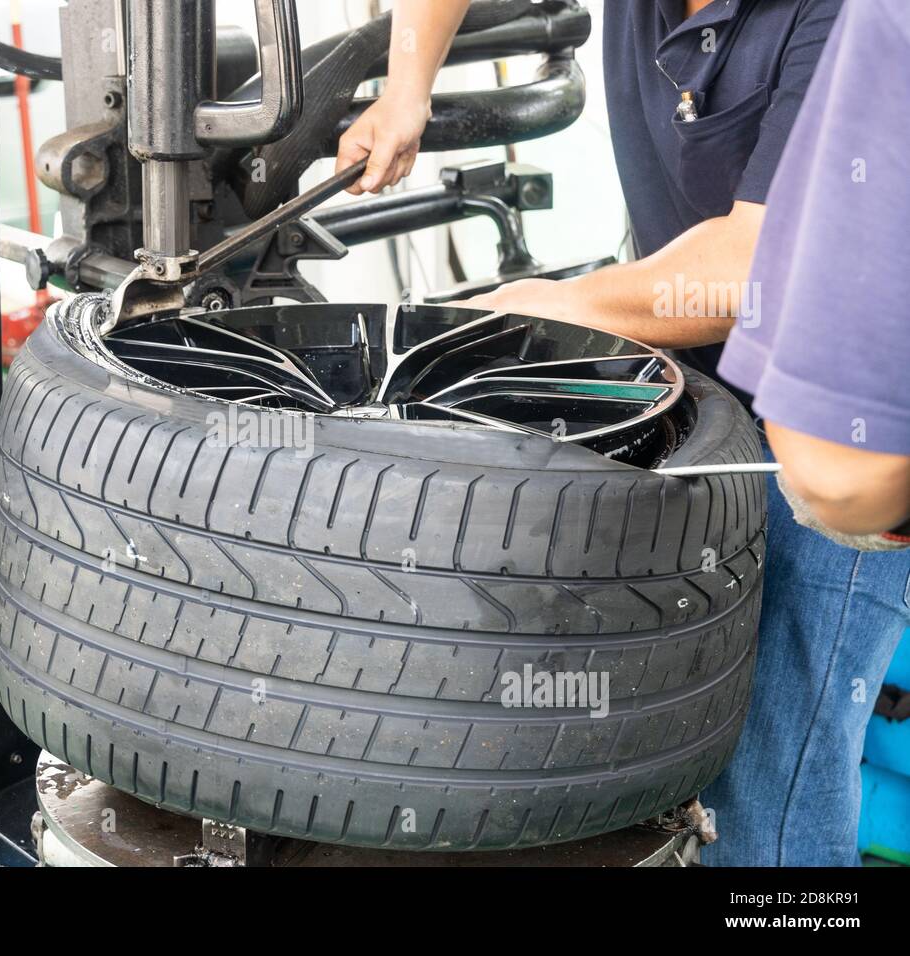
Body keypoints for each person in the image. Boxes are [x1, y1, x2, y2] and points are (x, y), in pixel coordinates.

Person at [334, 0, 901, 866]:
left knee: (770, 775)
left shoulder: (857, 21)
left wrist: (546, 304)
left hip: (852, 421)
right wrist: (406, 86)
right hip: (703, 396)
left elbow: (762, 262)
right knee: (670, 734)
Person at [706, 0, 910, 865]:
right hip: (732, 415)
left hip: (822, 457)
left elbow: (843, 477)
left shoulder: (869, 23)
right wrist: (408, 88)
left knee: (775, 808)